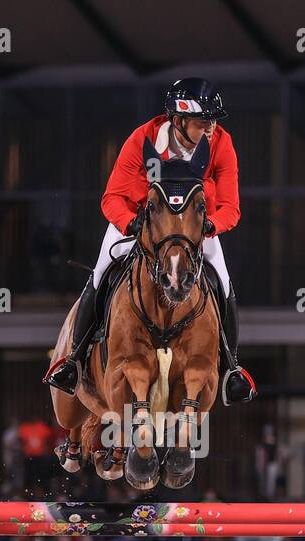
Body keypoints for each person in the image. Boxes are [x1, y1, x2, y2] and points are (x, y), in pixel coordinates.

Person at [44, 78, 254, 405]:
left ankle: (231, 369)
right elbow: (112, 196)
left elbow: (231, 206)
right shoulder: (142, 139)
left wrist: (210, 224)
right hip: (140, 223)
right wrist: (131, 223)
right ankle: (74, 360)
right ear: (180, 121)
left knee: (223, 284)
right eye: (203, 122)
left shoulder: (221, 143)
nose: (211, 128)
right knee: (100, 275)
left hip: (193, 230)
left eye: (213, 120)